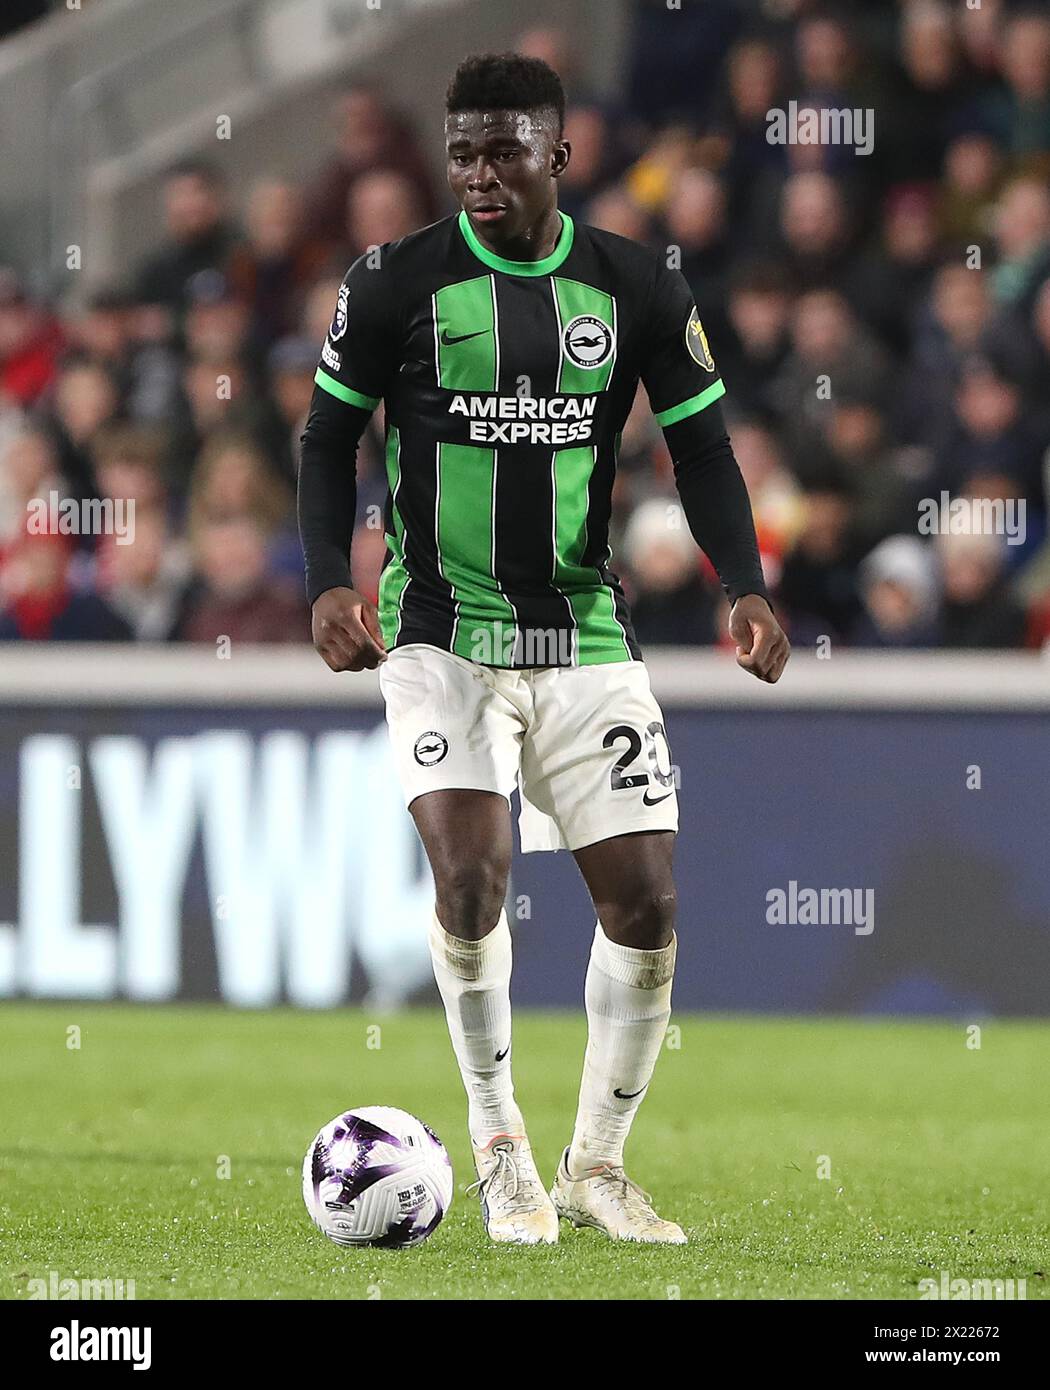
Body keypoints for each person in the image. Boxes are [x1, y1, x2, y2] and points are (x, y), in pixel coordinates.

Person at [298, 52, 789, 1247]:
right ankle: (500, 1144)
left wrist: (748, 586)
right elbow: (325, 442)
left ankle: (598, 1165)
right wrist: (324, 583)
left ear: (558, 154)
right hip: (436, 635)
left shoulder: (633, 286)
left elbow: (706, 449)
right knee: (471, 876)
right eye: (462, 151)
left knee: (650, 901)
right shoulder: (393, 282)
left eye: (505, 151)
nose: (478, 174)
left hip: (584, 632)